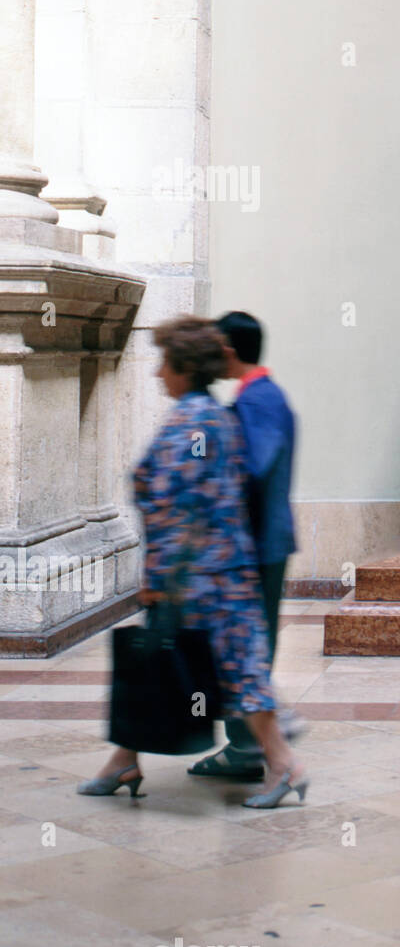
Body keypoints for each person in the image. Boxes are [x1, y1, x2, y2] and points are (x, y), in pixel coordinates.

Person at [78, 316, 308, 809]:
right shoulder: (215, 416)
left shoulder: (193, 423)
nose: (159, 374)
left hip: (199, 580)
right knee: (210, 668)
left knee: (226, 670)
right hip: (220, 572)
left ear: (184, 366)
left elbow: (180, 508)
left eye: (164, 363)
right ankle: (124, 758)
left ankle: (283, 763)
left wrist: (157, 578)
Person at [188, 310, 301, 781]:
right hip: (263, 542)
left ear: (229, 350)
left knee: (247, 648)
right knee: (246, 646)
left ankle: (255, 745)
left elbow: (252, 468)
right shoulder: (255, 398)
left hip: (259, 545)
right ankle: (248, 742)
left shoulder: (259, 400)